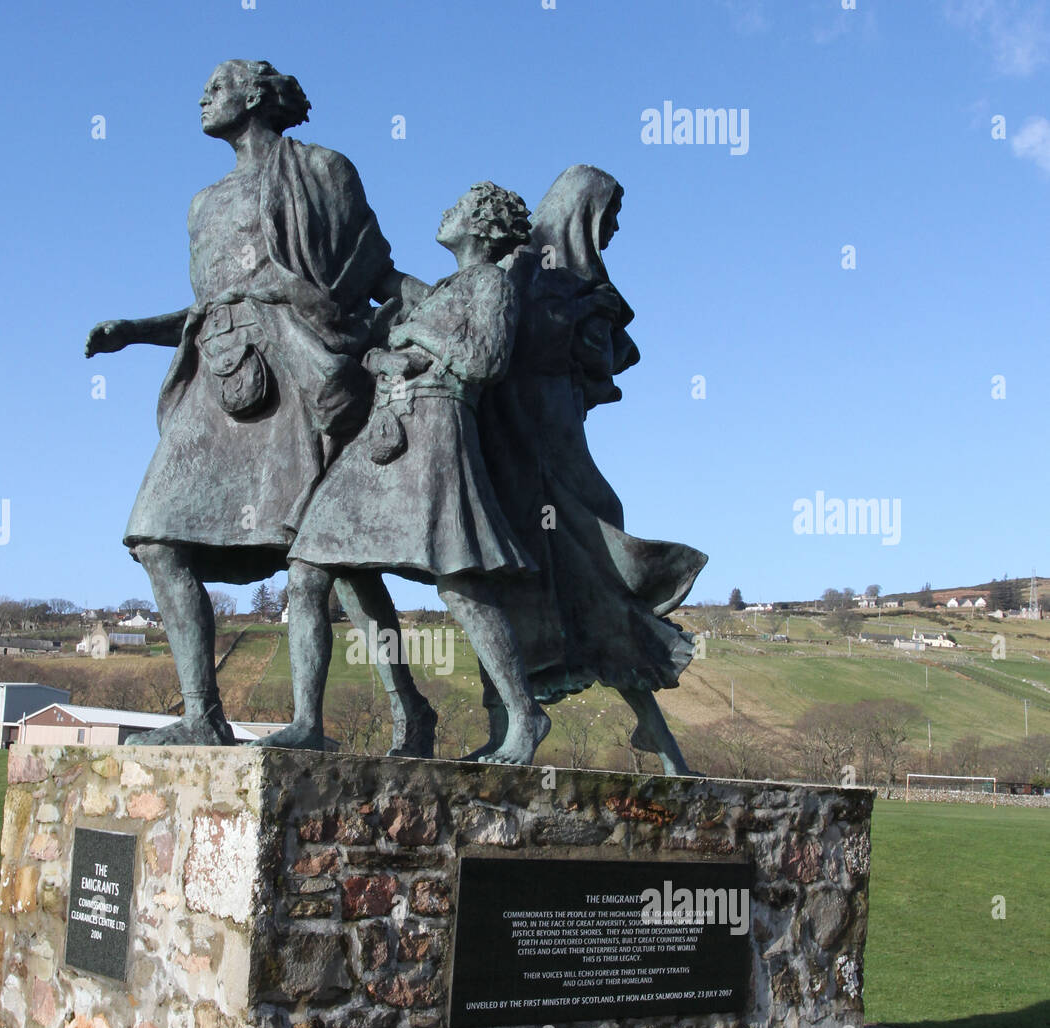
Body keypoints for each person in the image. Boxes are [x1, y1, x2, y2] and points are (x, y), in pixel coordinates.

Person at [85, 60, 433, 751]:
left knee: (332, 557)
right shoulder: (202, 204)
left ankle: (383, 713)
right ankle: (203, 717)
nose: (203, 96)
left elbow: (371, 272)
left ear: (255, 96)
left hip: (301, 370)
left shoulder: (324, 169)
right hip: (218, 376)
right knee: (157, 540)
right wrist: (136, 331)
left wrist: (443, 312)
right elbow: (211, 304)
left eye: (216, 86)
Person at [275, 183, 551, 765]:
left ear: (482, 225)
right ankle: (308, 721)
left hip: (437, 427)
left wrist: (411, 334)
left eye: (459, 206)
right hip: (385, 428)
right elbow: (376, 348)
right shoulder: (439, 290)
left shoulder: (490, 283)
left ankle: (525, 716)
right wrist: (386, 353)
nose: (445, 210)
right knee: (313, 563)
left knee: (459, 579)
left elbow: (484, 360)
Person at [474, 164, 707, 773]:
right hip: (519, 450)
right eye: (609, 219)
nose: (613, 233)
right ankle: (509, 732)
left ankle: (658, 743)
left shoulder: (556, 285)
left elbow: (598, 364)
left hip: (549, 456)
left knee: (593, 594)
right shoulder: (526, 275)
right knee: (506, 594)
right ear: (580, 213)